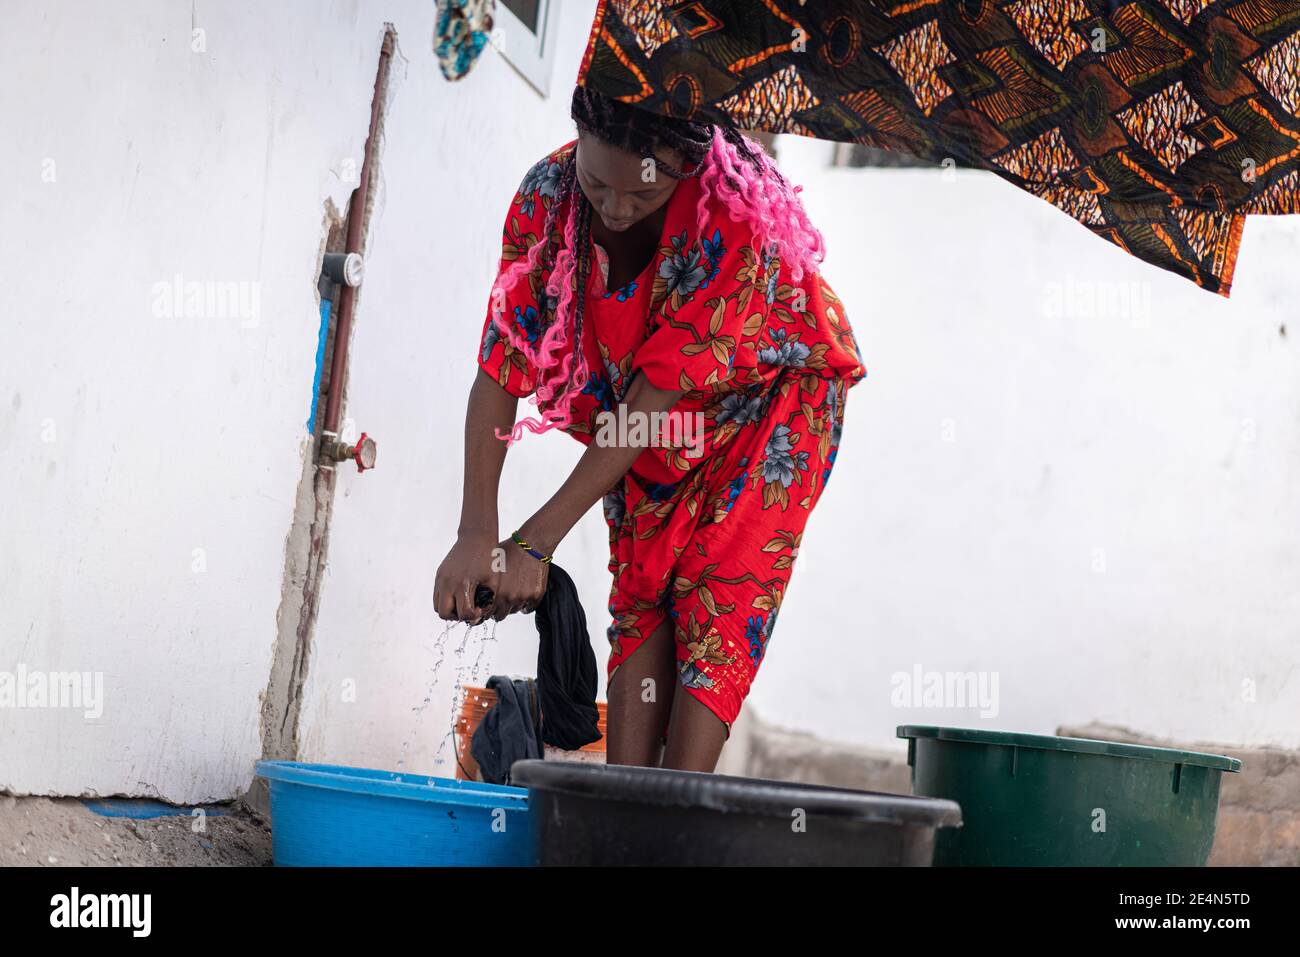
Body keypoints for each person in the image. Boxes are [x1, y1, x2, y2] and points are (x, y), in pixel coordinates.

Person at [434, 87, 864, 772]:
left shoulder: (732, 217)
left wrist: (534, 543)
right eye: (598, 180)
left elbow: (647, 402)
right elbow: (501, 360)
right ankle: (620, 816)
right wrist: (476, 532)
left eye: (644, 189)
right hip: (651, 420)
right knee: (642, 588)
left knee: (718, 592)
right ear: (578, 139)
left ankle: (675, 816)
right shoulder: (547, 196)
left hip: (772, 399)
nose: (615, 205)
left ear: (686, 166)